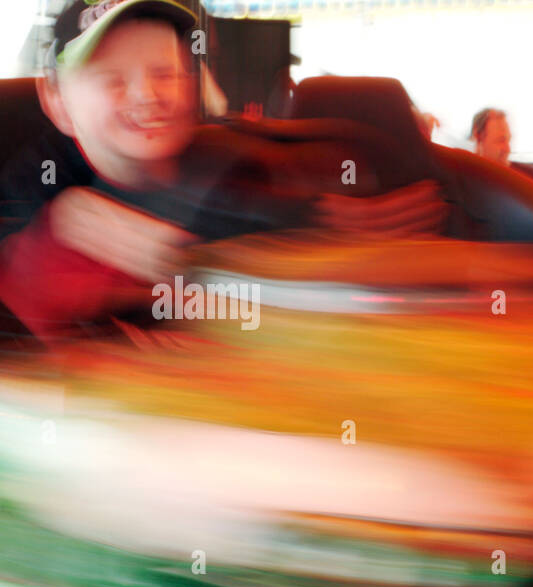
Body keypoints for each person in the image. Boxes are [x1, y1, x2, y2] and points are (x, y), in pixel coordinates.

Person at [0, 0, 449, 346]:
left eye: (166, 73)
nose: (147, 95)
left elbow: (293, 248)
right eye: (113, 79)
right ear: (55, 100)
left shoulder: (228, 164)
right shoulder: (35, 192)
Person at [468, 106, 533, 198]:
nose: (507, 149)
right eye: (501, 140)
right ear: (478, 137)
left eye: (508, 140)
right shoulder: (463, 185)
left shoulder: (529, 177)